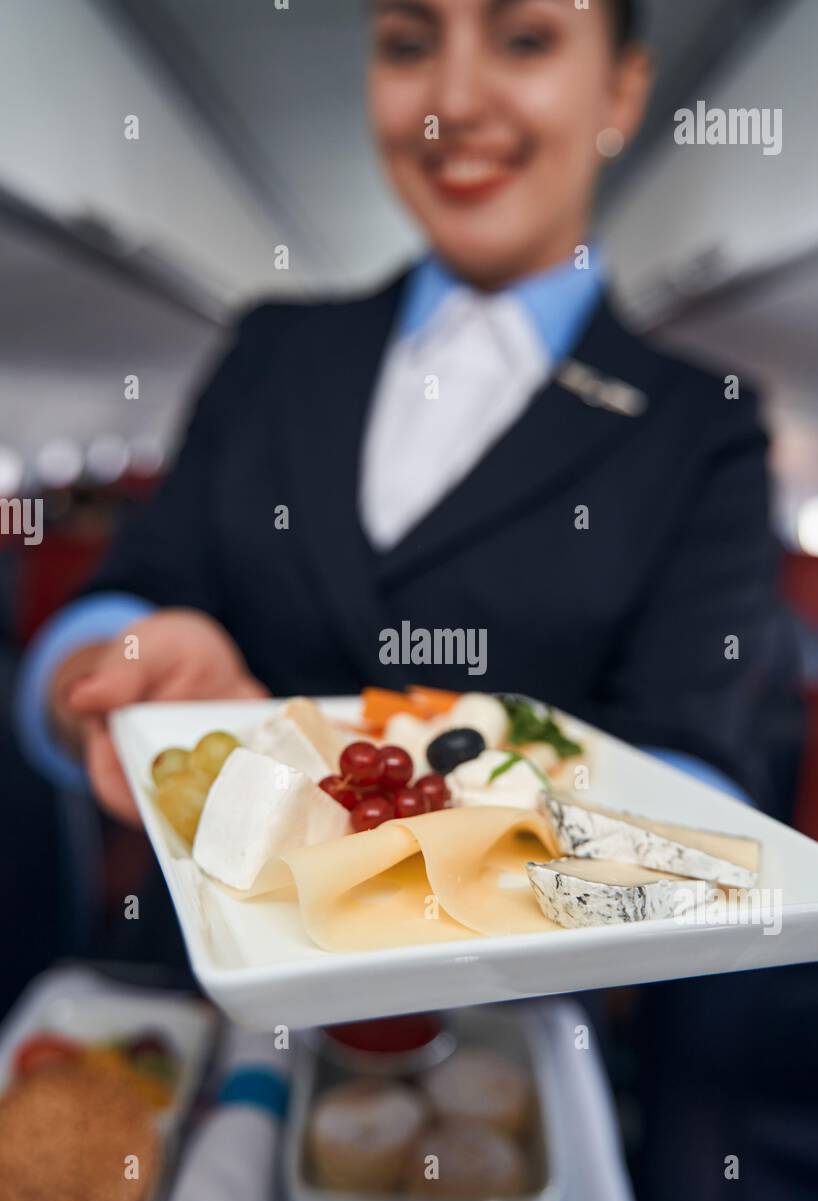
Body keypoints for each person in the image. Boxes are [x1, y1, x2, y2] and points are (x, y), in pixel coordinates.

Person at [19, 0, 779, 820]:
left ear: (621, 95)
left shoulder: (704, 426)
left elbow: (699, 762)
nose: (452, 103)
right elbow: (141, 584)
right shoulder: (273, 349)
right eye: (409, 45)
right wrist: (101, 679)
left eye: (525, 40)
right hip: (217, 934)